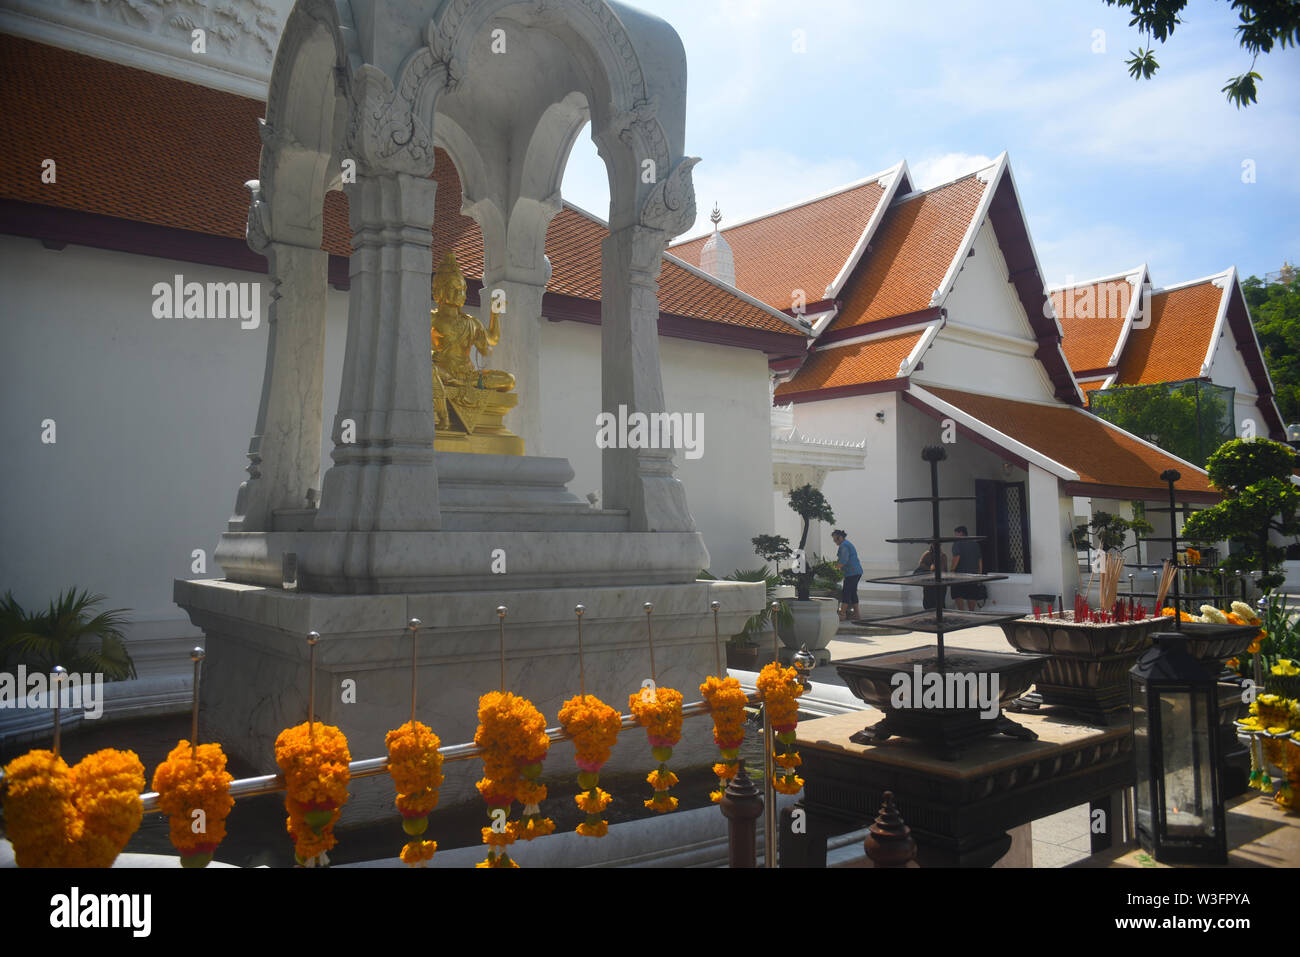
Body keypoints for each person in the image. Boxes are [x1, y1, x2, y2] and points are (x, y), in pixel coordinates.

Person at [949, 525, 983, 611]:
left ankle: (962, 613)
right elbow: (979, 560)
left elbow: (956, 557)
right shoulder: (975, 544)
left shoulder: (957, 543)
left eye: (956, 534)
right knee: (971, 596)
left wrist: (952, 570)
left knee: (958, 595)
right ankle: (971, 614)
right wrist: (980, 574)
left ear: (960, 533)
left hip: (959, 576)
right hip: (973, 575)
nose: (955, 536)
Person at [832, 529, 862, 621]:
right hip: (856, 572)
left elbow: (843, 560)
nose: (835, 542)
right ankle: (856, 614)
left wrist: (833, 569)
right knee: (852, 593)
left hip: (851, 573)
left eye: (835, 539)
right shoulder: (846, 544)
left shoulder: (844, 546)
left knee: (846, 593)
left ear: (840, 537)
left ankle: (842, 614)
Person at [914, 543, 948, 610]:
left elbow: (943, 570)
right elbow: (921, 566)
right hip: (929, 584)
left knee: (939, 604)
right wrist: (930, 568)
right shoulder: (927, 554)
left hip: (940, 585)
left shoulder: (943, 556)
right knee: (928, 604)